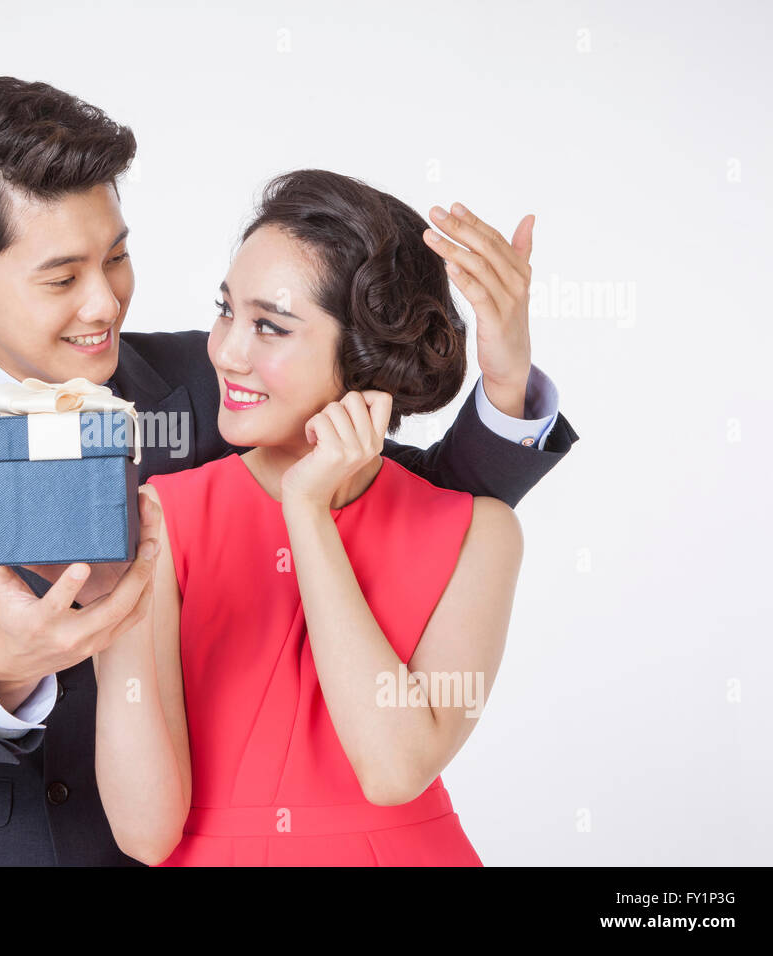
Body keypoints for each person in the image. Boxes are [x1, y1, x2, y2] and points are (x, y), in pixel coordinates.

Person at [0, 76, 579, 866]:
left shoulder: (214, 377)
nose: (103, 305)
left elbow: (397, 500)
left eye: (116, 257)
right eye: (60, 278)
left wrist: (502, 386)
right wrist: (11, 663)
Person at [96, 170, 530, 865]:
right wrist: (107, 615)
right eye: (227, 310)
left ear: (364, 356)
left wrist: (306, 512)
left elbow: (394, 769)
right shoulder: (162, 520)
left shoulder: (480, 533)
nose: (227, 351)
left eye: (270, 325)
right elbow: (146, 834)